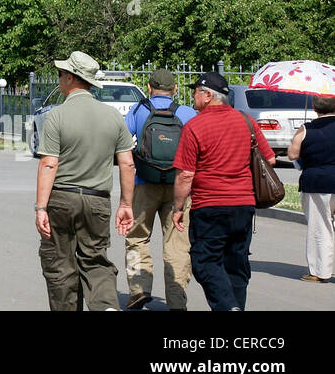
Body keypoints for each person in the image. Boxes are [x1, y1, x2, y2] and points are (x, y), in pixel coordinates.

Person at [34, 51, 136, 311]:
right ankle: (106, 307)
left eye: (60, 74)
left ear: (70, 77)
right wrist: (126, 203)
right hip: (97, 201)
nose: (59, 79)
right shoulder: (113, 116)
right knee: (95, 261)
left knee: (60, 265)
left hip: (61, 199)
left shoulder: (57, 115)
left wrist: (41, 208)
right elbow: (127, 163)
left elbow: (49, 163)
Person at [171, 71, 276, 311]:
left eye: (195, 91)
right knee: (236, 263)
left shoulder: (195, 126)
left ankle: (229, 307)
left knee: (204, 261)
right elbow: (269, 160)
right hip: (243, 205)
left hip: (210, 206)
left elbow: (185, 174)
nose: (193, 96)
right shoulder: (246, 121)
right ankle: (236, 306)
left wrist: (177, 207)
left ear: (207, 95)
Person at [122, 68, 196, 309]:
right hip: (179, 187)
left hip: (144, 183)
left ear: (150, 87)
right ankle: (176, 299)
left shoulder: (139, 110)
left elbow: (122, 139)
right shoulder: (187, 113)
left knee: (137, 237)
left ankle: (139, 289)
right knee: (177, 244)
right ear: (175, 90)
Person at [288, 94, 335, 283]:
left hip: (317, 181)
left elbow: (292, 154)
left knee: (320, 227)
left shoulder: (306, 129)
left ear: (315, 108)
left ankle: (319, 271)